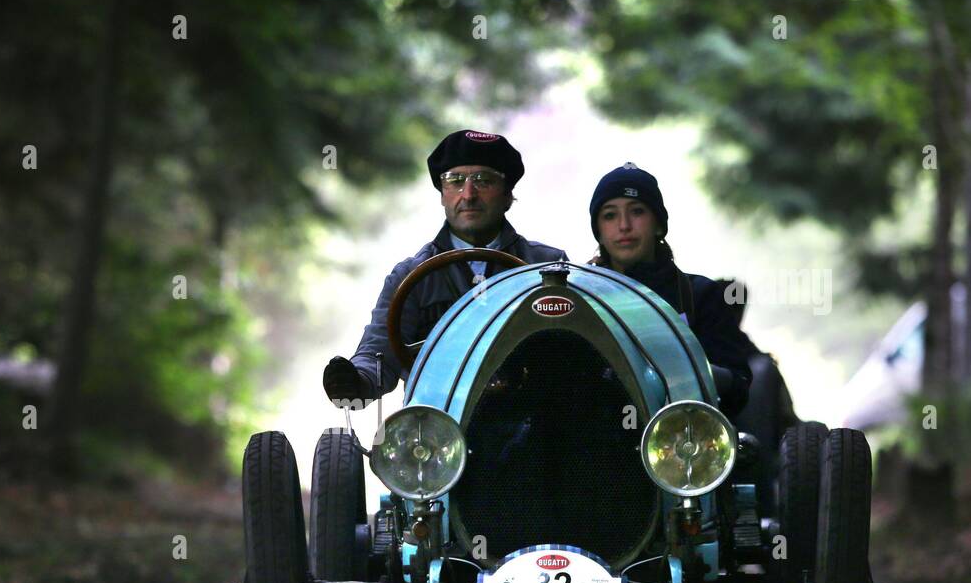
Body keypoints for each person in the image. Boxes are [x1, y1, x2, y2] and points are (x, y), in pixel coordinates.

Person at [322, 129, 568, 407]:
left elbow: (572, 351)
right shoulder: (409, 277)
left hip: (528, 418)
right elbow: (380, 351)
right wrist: (359, 379)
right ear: (443, 195)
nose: (469, 194)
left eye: (483, 181)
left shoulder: (548, 267)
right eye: (456, 181)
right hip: (437, 426)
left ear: (508, 195)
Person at [589, 163, 754, 416]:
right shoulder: (582, 299)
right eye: (610, 215)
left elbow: (738, 386)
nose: (624, 225)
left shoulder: (700, 295)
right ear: (598, 231)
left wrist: (687, 371)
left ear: (658, 224)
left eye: (637, 211)